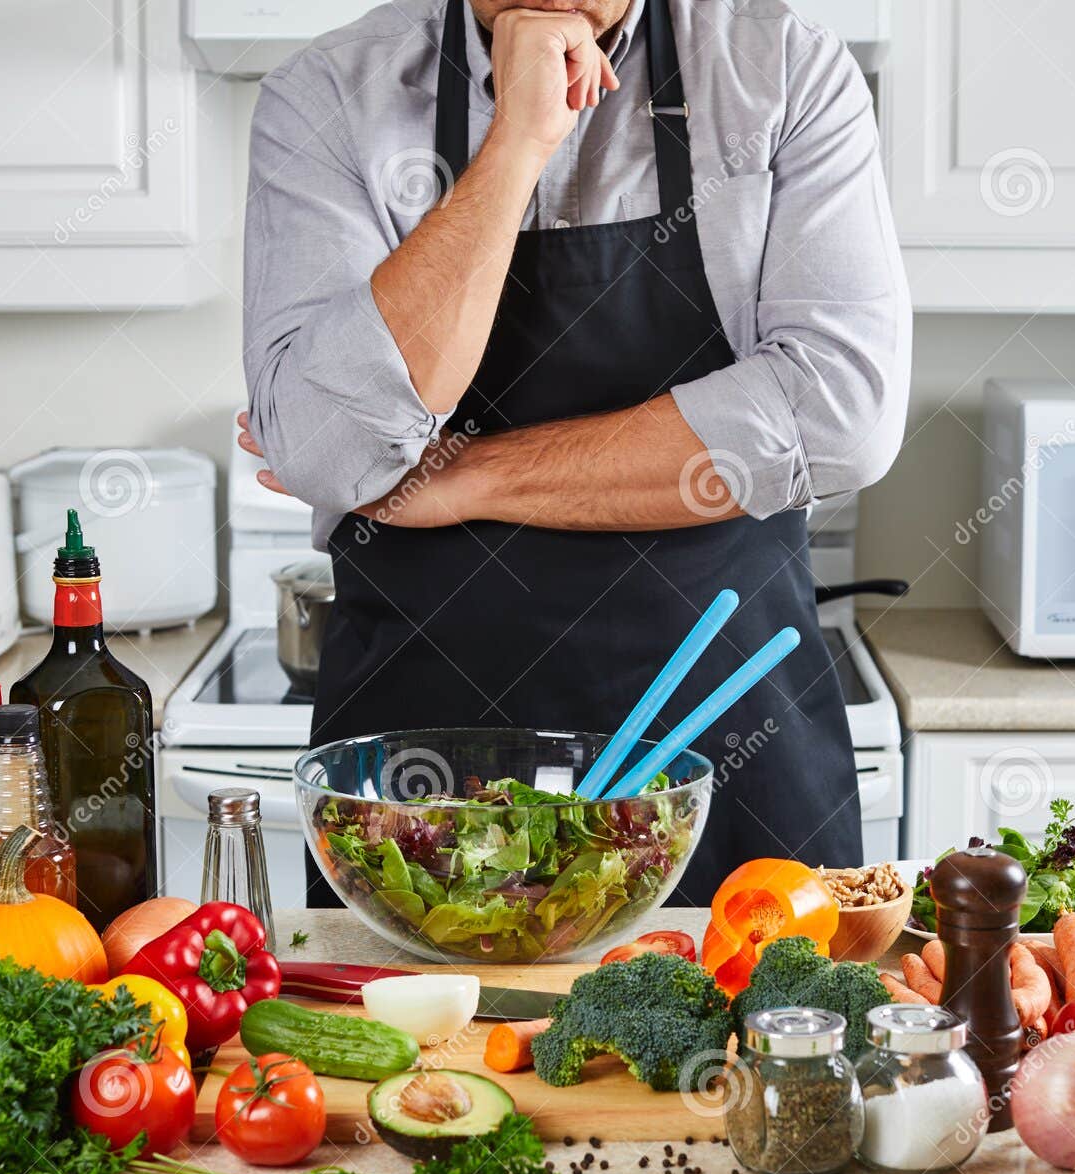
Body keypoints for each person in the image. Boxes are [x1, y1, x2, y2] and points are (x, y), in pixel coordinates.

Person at [240, 0, 912, 907]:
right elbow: (329, 449)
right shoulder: (327, 95)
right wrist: (513, 144)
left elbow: (841, 411)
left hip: (723, 745)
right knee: (434, 1052)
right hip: (425, 769)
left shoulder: (781, 69)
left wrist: (467, 477)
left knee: (744, 1047)